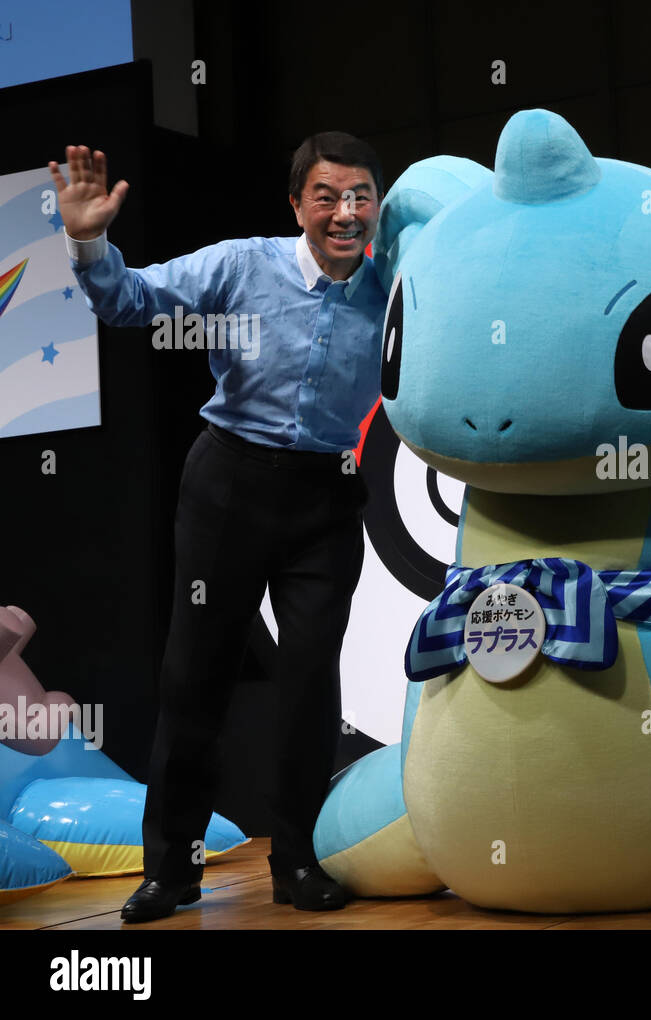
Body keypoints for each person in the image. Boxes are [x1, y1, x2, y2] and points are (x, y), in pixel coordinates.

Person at [50, 133, 388, 922]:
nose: (345, 212)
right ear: (297, 204)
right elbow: (128, 302)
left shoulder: (395, 287)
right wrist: (87, 236)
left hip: (327, 495)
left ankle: (296, 863)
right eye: (327, 195)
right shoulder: (243, 264)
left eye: (362, 195)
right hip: (229, 485)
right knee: (194, 681)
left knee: (311, 686)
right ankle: (172, 872)